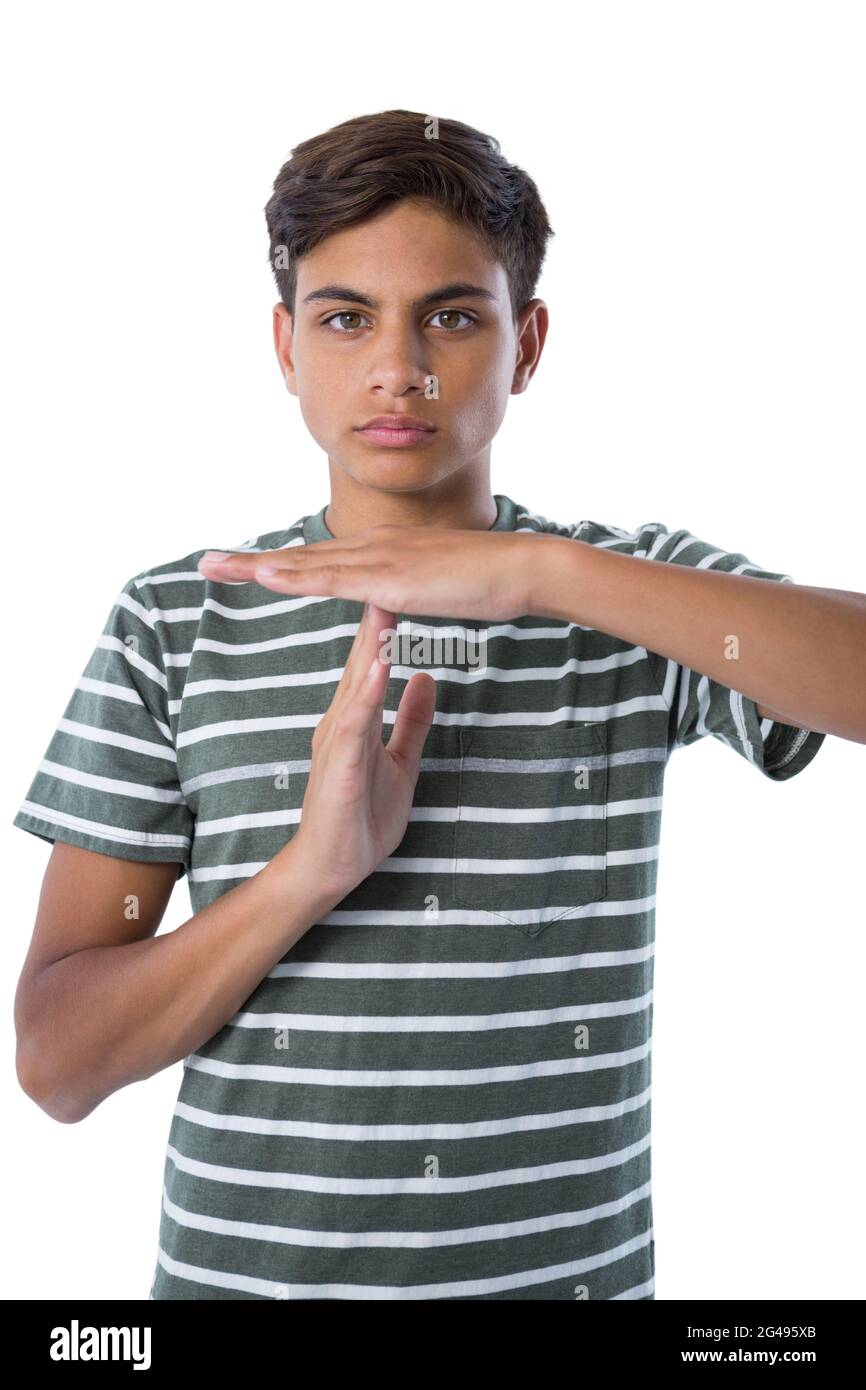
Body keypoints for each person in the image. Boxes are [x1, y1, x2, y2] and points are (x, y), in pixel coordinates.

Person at [12, 110, 863, 1301]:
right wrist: (309, 869)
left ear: (527, 343)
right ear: (283, 342)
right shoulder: (178, 617)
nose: (395, 367)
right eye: (345, 316)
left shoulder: (627, 595)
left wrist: (535, 572)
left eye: (451, 316)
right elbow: (57, 1065)